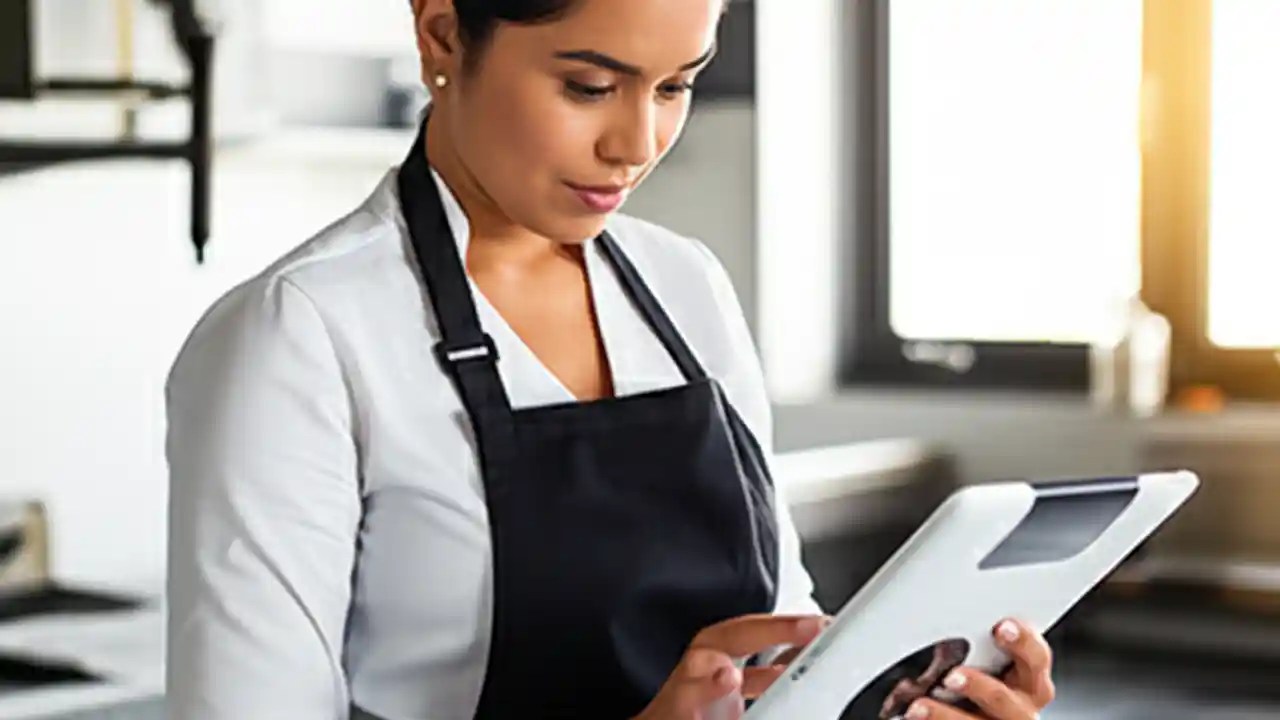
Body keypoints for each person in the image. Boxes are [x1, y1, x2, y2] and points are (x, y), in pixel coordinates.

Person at [163, 1, 1058, 718]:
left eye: (675, 85)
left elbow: (781, 658)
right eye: (591, 86)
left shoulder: (684, 284)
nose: (636, 145)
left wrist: (899, 700)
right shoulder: (301, 333)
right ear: (441, 33)